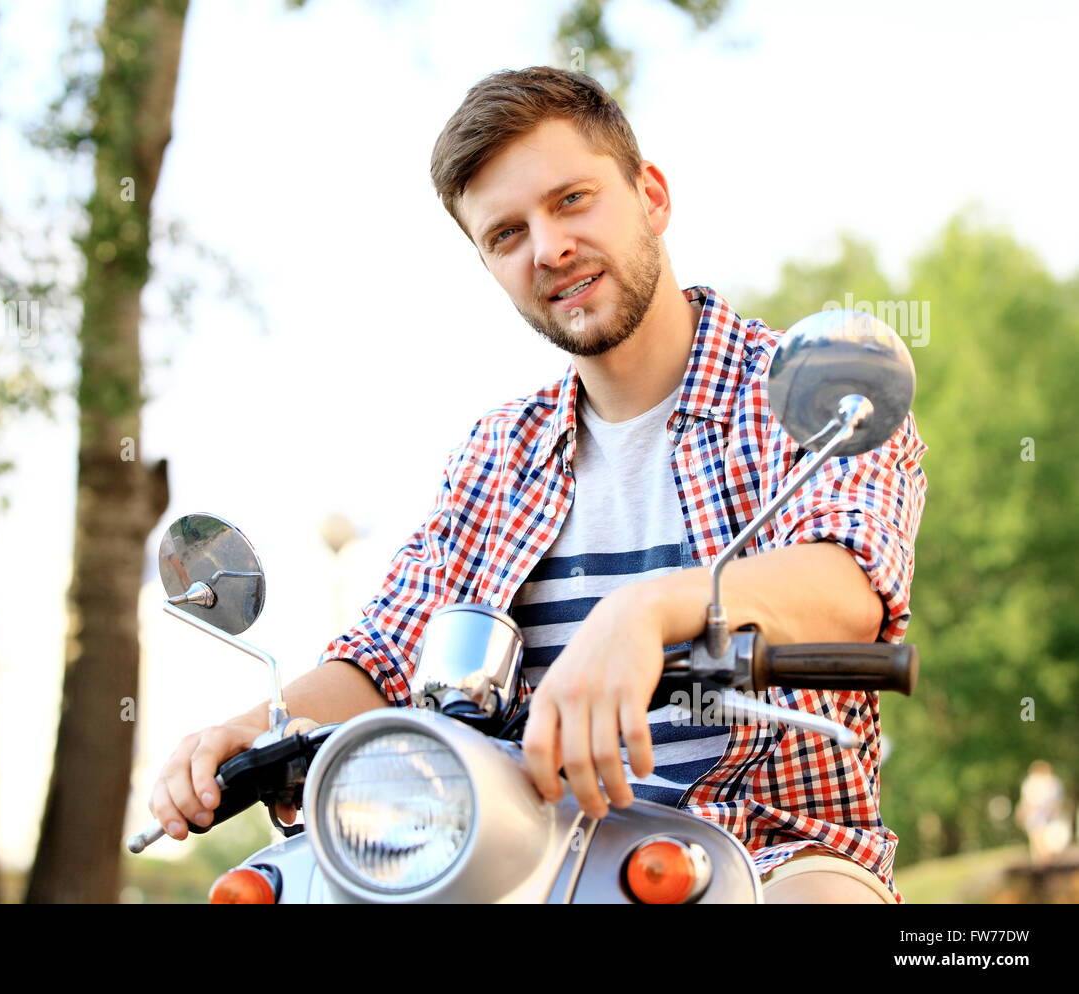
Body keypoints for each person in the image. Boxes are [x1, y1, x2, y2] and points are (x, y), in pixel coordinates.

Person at [149, 66, 928, 903]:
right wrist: (248, 730)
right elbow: (385, 656)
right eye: (506, 234)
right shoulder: (496, 452)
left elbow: (850, 583)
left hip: (770, 853)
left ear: (652, 198)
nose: (548, 249)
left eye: (571, 201)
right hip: (523, 857)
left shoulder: (807, 387)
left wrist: (644, 612)